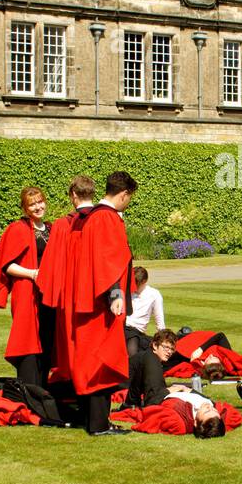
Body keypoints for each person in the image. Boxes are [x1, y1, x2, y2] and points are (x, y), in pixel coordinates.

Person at [63, 171, 138, 435]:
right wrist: (115, 295)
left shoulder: (89, 219)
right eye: (129, 198)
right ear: (124, 194)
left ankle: (96, 420)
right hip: (102, 304)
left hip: (88, 300)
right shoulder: (106, 219)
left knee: (93, 360)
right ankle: (98, 424)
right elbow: (108, 261)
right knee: (101, 361)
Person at [0, 186, 57, 388]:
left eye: (40, 201)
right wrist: (32, 274)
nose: (38, 207)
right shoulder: (18, 229)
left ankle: (43, 388)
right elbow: (7, 265)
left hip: (49, 295)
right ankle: (29, 387)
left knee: (47, 339)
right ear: (25, 209)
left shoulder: (51, 229)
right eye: (32, 204)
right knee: (27, 339)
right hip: (28, 293)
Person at [35, 175, 97, 385]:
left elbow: (52, 266)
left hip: (71, 296)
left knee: (72, 344)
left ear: (73, 195)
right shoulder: (106, 219)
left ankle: (73, 385)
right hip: (99, 295)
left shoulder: (63, 225)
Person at [111, 383, 241, 437]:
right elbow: (232, 416)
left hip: (159, 393)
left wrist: (169, 390)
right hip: (182, 389)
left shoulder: (180, 422)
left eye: (207, 411)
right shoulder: (215, 420)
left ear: (196, 423)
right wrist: (189, 390)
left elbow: (149, 411)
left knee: (148, 358)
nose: (209, 407)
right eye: (214, 410)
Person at [121, 328, 179, 409]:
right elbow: (154, 398)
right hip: (119, 390)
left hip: (129, 398)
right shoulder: (150, 359)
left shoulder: (150, 357)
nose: (169, 352)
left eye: (172, 349)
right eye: (166, 347)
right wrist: (172, 390)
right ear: (155, 345)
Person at [125, 266, 165, 357]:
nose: (133, 287)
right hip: (123, 327)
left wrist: (163, 341)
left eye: (136, 284)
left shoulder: (154, 294)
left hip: (137, 332)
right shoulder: (125, 291)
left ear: (144, 281)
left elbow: (160, 322)